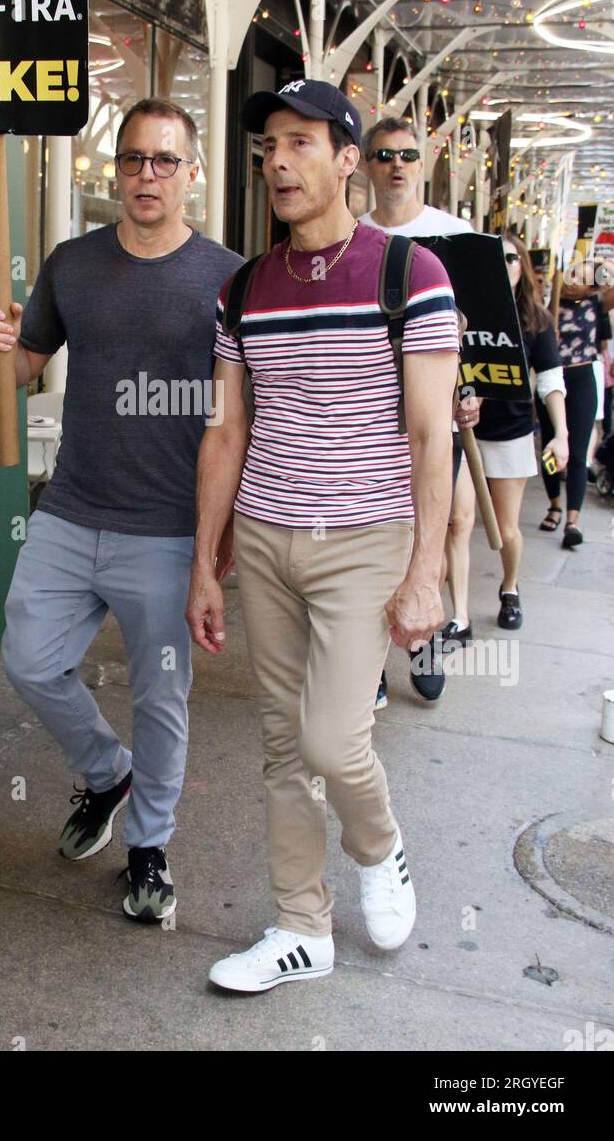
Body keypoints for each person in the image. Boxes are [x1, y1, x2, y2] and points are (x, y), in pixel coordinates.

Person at [186, 80, 459, 992]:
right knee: (277, 744)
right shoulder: (244, 288)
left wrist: (427, 572)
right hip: (265, 536)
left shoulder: (407, 274)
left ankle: (379, 849)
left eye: (301, 143)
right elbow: (225, 430)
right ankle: (302, 926)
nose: (278, 160)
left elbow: (430, 435)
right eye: (269, 145)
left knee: (332, 742)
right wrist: (205, 561)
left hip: (363, 539)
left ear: (347, 160)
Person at [0, 99, 242, 923]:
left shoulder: (228, 278)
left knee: (160, 696)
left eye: (165, 160)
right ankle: (105, 771)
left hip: (164, 529)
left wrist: (213, 541)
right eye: (133, 159)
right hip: (71, 508)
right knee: (27, 658)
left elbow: (240, 416)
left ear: (191, 173)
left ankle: (149, 847)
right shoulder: (73, 262)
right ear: (117, 171)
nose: (147, 174)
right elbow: (24, 367)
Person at [360, 115, 479, 704]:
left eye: (407, 155)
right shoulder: (348, 235)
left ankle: (426, 630)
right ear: (364, 163)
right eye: (384, 156)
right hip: (371, 419)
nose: (397, 166)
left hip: (434, 414)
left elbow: (483, 334)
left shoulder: (457, 238)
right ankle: (370, 665)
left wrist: (473, 391)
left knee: (434, 525)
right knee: (375, 536)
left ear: (423, 163)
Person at [468, 234, 568, 627]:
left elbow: (551, 379)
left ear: (521, 266)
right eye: (495, 258)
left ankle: (510, 588)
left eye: (510, 258)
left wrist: (560, 434)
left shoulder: (534, 317)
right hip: (462, 433)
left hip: (510, 431)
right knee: (456, 524)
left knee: (506, 528)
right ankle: (454, 610)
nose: (503, 264)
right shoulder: (465, 309)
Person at [538, 257, 614, 546]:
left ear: (591, 286)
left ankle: (573, 519)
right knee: (549, 445)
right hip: (552, 377)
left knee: (578, 451)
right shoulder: (551, 307)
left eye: (580, 278)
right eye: (571, 274)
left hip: (581, 377)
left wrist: (603, 264)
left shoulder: (596, 306)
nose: (572, 282)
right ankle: (555, 505)